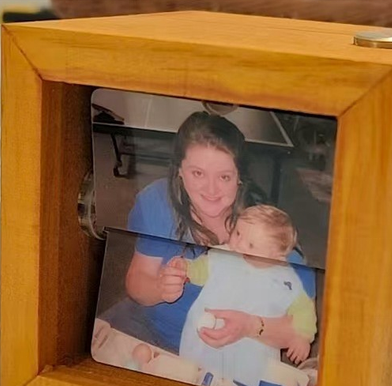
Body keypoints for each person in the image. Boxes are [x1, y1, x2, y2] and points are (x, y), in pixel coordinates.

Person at [124, 110, 316, 353]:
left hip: (236, 353)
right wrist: (160, 289)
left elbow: (300, 327)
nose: (211, 189)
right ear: (179, 170)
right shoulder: (156, 201)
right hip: (156, 336)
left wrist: (249, 326)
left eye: (224, 177)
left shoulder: (267, 232)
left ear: (239, 177)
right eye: (198, 173)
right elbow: (137, 280)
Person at [169, 205, 316, 386]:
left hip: (251, 350)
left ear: (277, 257)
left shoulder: (286, 281)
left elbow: (304, 310)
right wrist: (185, 268)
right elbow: (201, 270)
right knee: (195, 377)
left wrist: (303, 336)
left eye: (251, 245)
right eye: (238, 233)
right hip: (206, 337)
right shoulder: (222, 256)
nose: (238, 244)